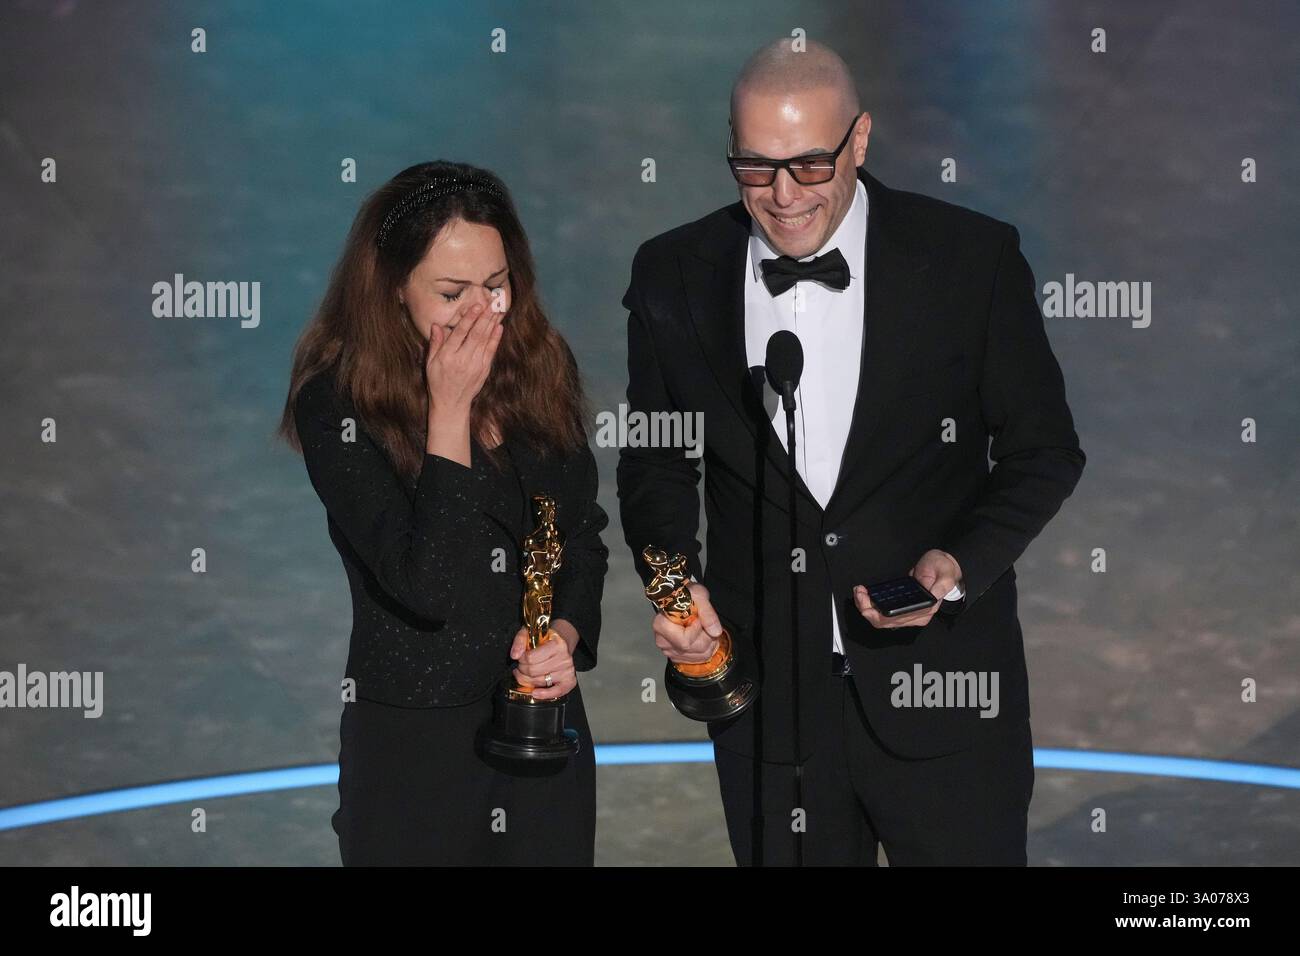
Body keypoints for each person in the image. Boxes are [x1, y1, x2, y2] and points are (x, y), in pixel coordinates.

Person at [616, 39, 1085, 865]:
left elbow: (1043, 450)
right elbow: (657, 456)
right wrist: (674, 582)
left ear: (860, 141)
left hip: (942, 695)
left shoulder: (970, 261)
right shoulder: (673, 274)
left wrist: (957, 563)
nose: (783, 197)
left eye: (808, 164)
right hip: (768, 708)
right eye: (755, 168)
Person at [278, 160, 609, 865]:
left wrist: (569, 635)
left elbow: (581, 535)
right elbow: (427, 584)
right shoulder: (337, 404)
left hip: (540, 733)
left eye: (496, 287)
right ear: (394, 291)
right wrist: (450, 411)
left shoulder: (540, 367)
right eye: (451, 292)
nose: (480, 313)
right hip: (415, 747)